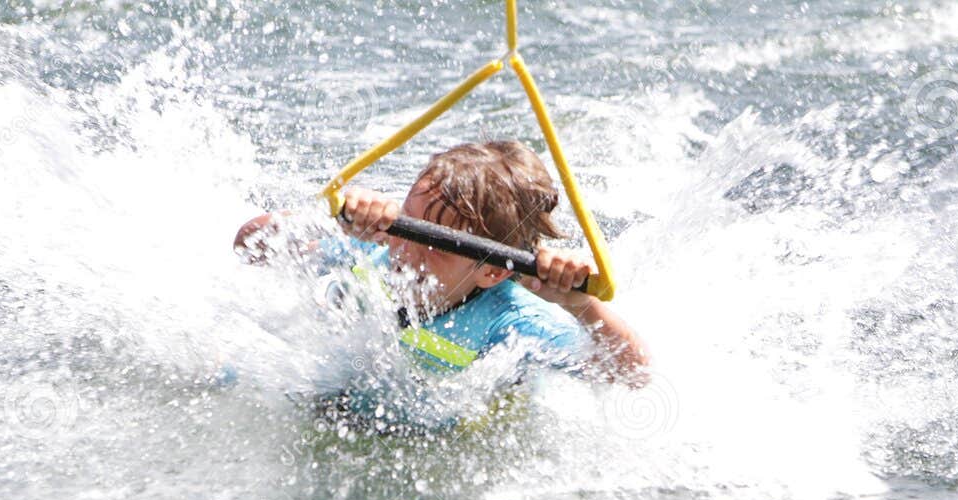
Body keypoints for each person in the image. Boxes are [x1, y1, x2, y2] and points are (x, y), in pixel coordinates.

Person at [235, 141, 649, 378]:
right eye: (407, 225)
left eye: (434, 243)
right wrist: (333, 222)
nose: (406, 248)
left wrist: (581, 305)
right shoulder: (373, 246)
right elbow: (249, 245)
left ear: (491, 270)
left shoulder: (510, 321)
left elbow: (634, 375)